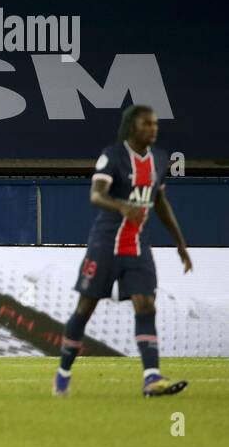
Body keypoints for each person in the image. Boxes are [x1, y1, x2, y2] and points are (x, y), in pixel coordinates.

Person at [53, 105, 192, 398]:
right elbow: (96, 195)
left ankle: (152, 378)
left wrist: (180, 242)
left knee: (146, 306)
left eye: (155, 124)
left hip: (138, 248)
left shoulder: (160, 158)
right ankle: (63, 373)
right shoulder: (112, 156)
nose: (153, 129)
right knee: (85, 308)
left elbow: (161, 202)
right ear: (132, 127)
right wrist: (123, 207)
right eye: (147, 124)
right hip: (105, 245)